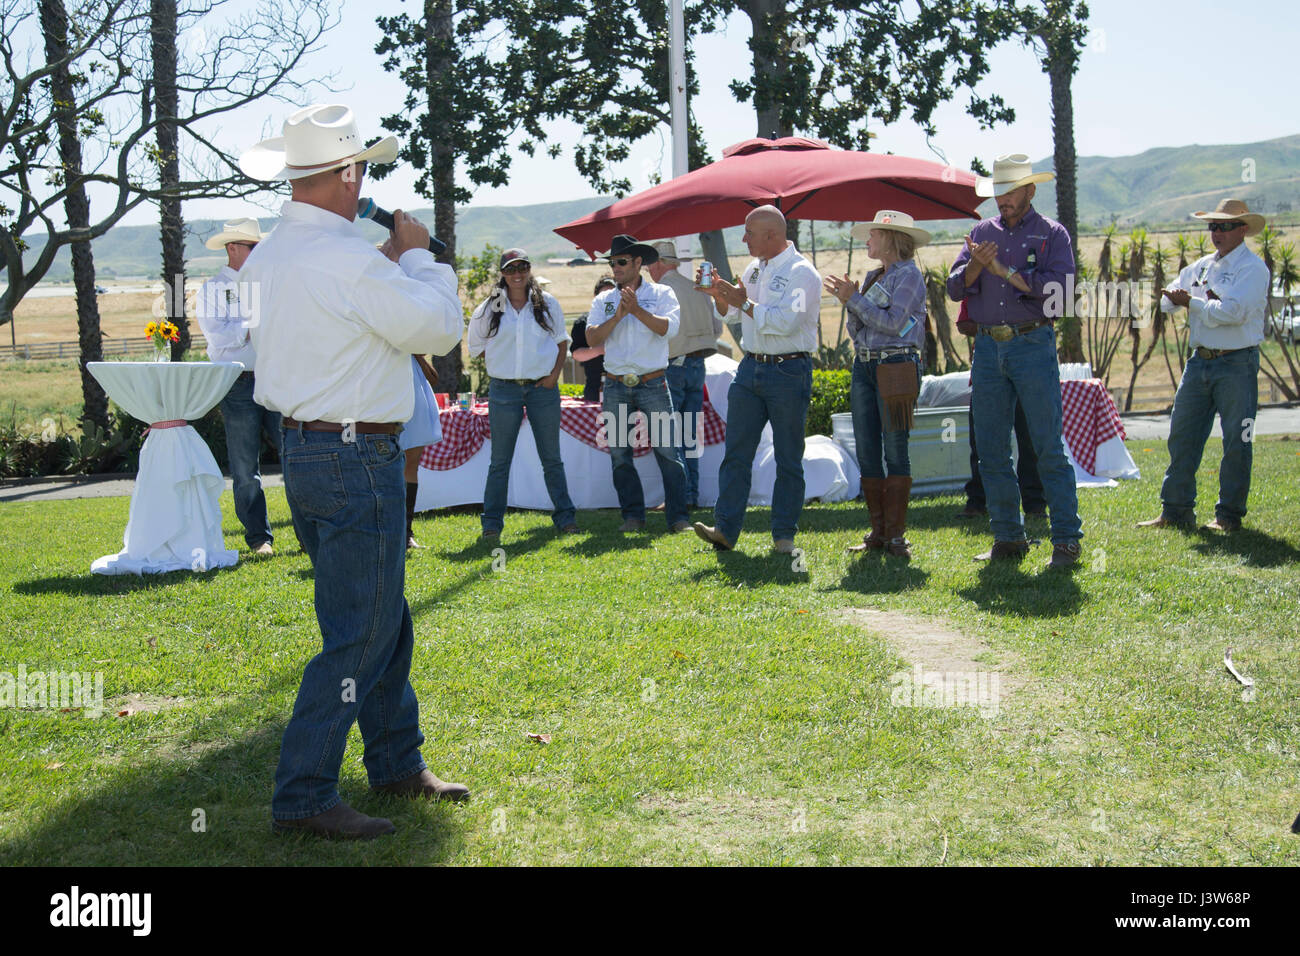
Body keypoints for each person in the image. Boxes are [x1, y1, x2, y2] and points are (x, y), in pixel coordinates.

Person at [239, 103, 469, 840]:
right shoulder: (345, 256)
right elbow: (436, 328)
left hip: (306, 451)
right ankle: (304, 794)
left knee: (377, 618)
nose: (364, 177)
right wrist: (418, 256)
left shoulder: (275, 251)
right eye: (362, 166)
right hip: (353, 455)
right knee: (361, 633)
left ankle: (397, 761)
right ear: (347, 173)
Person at [946, 153, 1083, 570]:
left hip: (1032, 343)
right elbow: (954, 288)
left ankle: (1066, 540)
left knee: (1046, 447)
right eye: (997, 194)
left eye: (1008, 193)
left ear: (1030, 191)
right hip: (987, 348)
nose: (1001, 201)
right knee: (989, 448)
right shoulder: (979, 233)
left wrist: (1003, 271)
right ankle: (1008, 537)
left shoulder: (1052, 235)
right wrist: (974, 267)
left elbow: (1062, 291)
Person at [693, 205, 822, 554]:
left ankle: (783, 536)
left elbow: (785, 323)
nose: (743, 238)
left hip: (788, 370)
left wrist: (743, 303)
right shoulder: (754, 268)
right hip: (750, 367)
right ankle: (725, 529)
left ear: (772, 235)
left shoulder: (803, 274)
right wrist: (719, 295)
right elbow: (733, 312)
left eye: (749, 232)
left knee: (788, 456)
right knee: (737, 452)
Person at [1138, 199, 1269, 533]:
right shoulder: (1199, 266)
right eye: (1213, 226)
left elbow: (1232, 313)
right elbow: (1168, 303)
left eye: (1224, 226)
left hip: (1238, 362)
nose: (1217, 232)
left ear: (1243, 229)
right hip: (1199, 363)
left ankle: (1228, 516)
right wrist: (1175, 298)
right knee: (1182, 436)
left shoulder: (1254, 269)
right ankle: (1176, 510)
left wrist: (1190, 302)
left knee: (1238, 440)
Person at [824, 210, 929, 561]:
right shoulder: (873, 277)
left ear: (889, 238)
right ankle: (880, 532)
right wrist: (856, 303)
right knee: (868, 448)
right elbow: (864, 328)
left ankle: (894, 534)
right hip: (867, 366)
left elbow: (893, 321)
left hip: (896, 366)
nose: (867, 241)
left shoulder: (909, 275)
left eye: (872, 235)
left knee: (895, 447)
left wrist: (853, 300)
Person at [467, 248, 578, 539]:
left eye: (522, 268)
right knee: (500, 461)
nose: (516, 274)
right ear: (502, 273)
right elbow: (476, 346)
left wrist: (554, 376)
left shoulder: (546, 303)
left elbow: (561, 342)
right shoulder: (491, 306)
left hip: (542, 388)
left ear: (529, 270)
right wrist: (502, 364)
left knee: (551, 457)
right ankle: (491, 525)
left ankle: (566, 518)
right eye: (510, 269)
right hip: (504, 390)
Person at [584, 234, 689, 533]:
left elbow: (668, 329)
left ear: (638, 263)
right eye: (612, 262)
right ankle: (632, 516)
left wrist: (637, 311)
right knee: (619, 453)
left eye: (621, 262)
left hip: (653, 383)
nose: (615, 267)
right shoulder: (605, 299)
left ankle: (678, 518)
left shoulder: (663, 293)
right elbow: (592, 339)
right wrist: (618, 315)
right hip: (616, 385)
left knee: (668, 452)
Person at [195, 217, 280, 557]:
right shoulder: (213, 289)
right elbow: (217, 338)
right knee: (246, 468)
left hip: (275, 376)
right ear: (232, 248)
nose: (259, 252)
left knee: (294, 456)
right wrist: (254, 323)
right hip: (239, 382)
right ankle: (259, 538)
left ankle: (307, 535)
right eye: (252, 246)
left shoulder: (268, 285)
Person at [954, 300, 1046, 520]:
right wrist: (993, 329)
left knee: (1030, 440)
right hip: (989, 368)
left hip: (1026, 365)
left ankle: (1034, 504)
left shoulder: (1026, 276)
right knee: (981, 441)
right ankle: (978, 500)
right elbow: (962, 323)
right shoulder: (978, 279)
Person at [648, 240, 723, 509]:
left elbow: (656, 331)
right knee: (690, 433)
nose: (648, 270)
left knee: (669, 434)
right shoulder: (697, 288)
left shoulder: (661, 291)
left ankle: (678, 497)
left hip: (673, 364)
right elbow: (717, 330)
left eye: (649, 264)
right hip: (698, 363)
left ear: (658, 264)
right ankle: (690, 494)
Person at [400, 352, 442, 549]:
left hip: (415, 392)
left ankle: (406, 533)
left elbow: (433, 377)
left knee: (411, 467)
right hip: (380, 390)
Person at [570, 276, 614, 401]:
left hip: (626, 386)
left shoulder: (628, 321)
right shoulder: (584, 323)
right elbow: (576, 354)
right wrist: (600, 350)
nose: (608, 300)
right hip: (595, 387)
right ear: (596, 298)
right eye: (604, 296)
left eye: (612, 295)